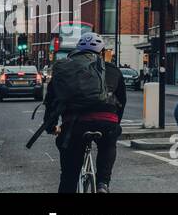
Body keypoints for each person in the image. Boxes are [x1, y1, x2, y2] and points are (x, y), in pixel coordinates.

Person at [43, 32, 127, 194]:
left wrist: (51, 127)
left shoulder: (65, 69)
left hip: (74, 124)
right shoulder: (112, 70)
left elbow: (51, 101)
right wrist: (115, 124)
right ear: (101, 52)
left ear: (78, 50)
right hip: (106, 121)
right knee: (108, 144)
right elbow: (122, 101)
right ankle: (103, 183)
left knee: (68, 177)